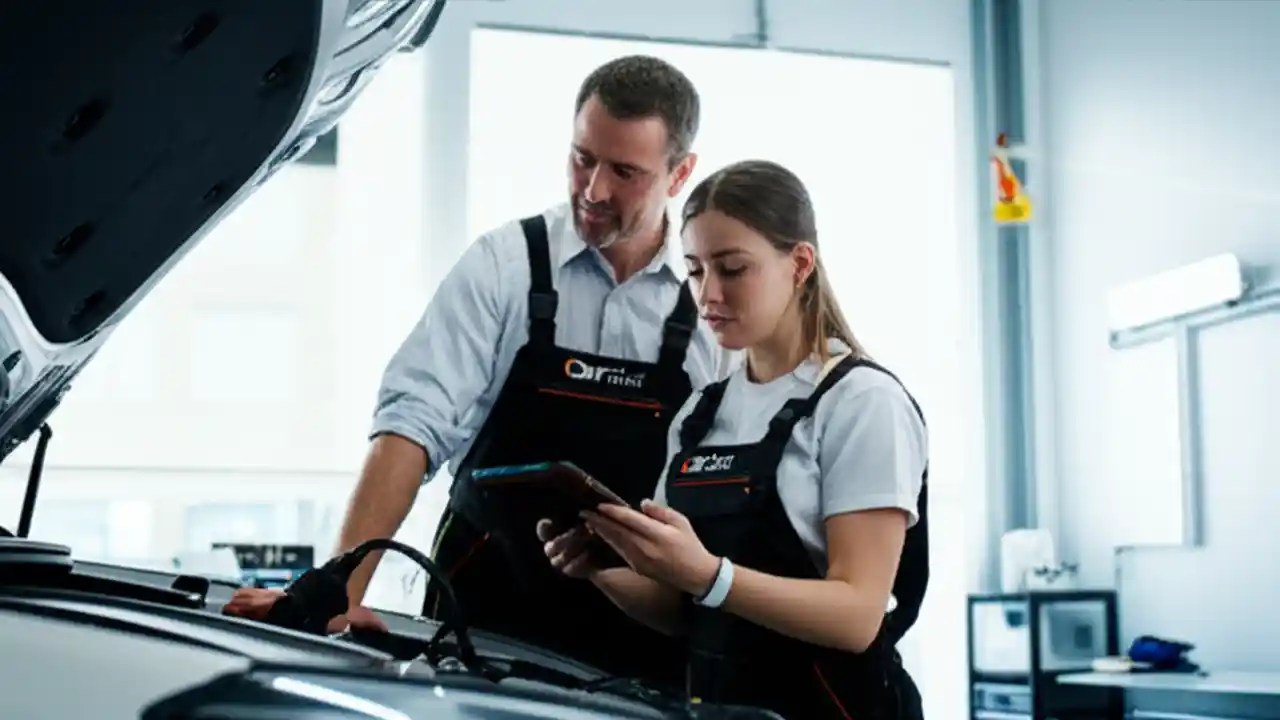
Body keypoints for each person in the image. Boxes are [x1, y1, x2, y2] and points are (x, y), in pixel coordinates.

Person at [329, 55, 733, 686]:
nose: (594, 190)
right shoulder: (504, 266)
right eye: (582, 158)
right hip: (480, 611)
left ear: (680, 174)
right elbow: (411, 428)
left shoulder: (712, 303)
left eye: (625, 172)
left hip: (639, 632)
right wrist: (339, 589)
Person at [540, 159, 930, 719]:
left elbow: (857, 615)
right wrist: (604, 565)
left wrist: (708, 574)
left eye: (733, 269)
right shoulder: (701, 411)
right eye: (696, 271)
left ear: (799, 264)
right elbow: (685, 608)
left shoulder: (862, 403)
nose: (707, 295)